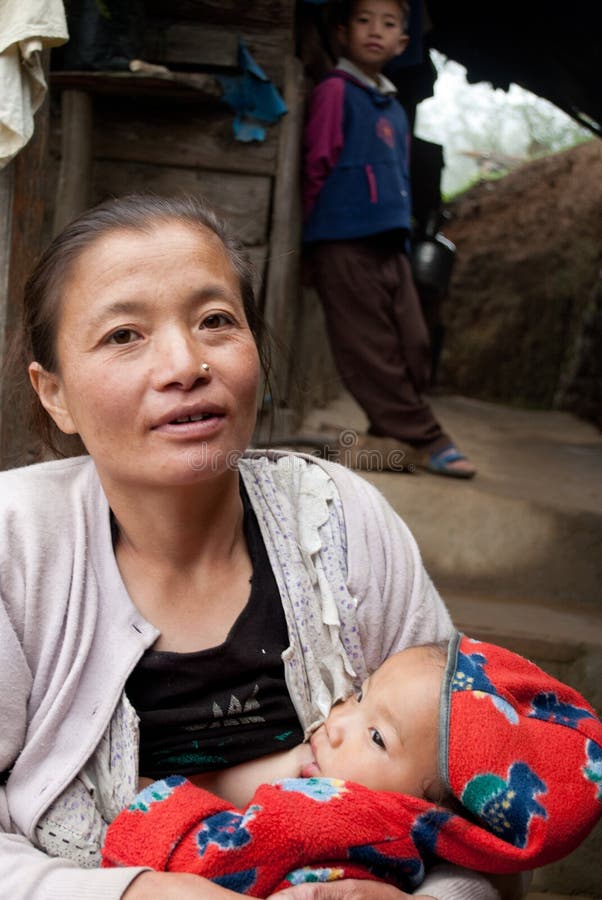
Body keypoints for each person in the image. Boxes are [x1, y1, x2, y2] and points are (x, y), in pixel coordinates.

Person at [0, 193, 516, 900]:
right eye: (125, 335)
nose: (185, 364)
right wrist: (135, 894)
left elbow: (472, 800)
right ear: (53, 393)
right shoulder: (15, 547)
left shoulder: (341, 519)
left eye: (216, 321)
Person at [101, 633, 602, 895]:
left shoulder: (340, 814)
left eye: (378, 737)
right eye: (360, 694)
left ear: (434, 807)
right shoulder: (415, 839)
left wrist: (151, 799)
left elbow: (216, 858)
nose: (337, 720)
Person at [302, 0, 476, 478]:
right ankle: (428, 438)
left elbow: (399, 173)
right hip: (341, 236)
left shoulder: (394, 109)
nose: (375, 31)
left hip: (388, 241)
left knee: (414, 341)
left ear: (404, 43)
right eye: (363, 20)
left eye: (389, 24)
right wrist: (311, 239)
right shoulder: (336, 92)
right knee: (367, 346)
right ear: (341, 32)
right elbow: (316, 164)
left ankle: (391, 427)